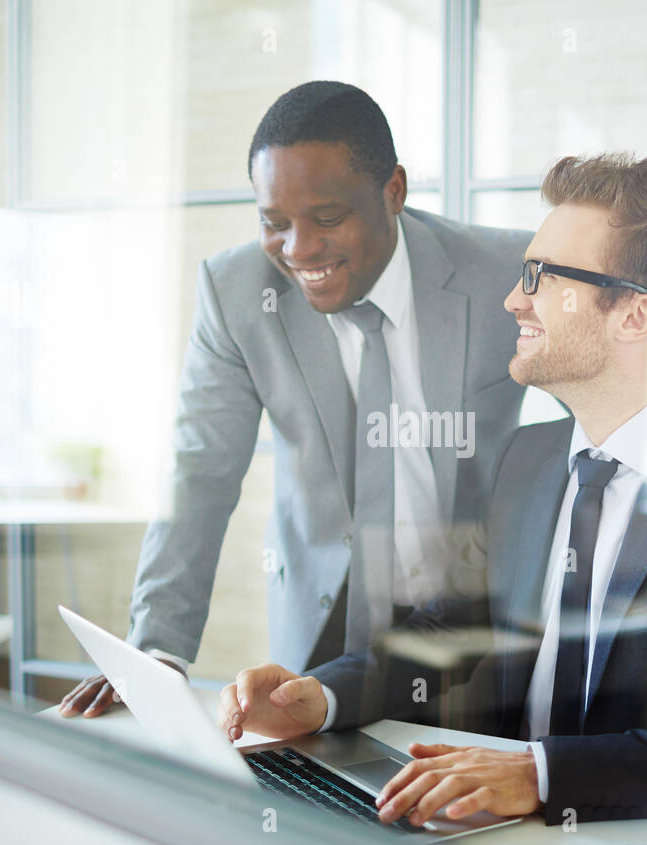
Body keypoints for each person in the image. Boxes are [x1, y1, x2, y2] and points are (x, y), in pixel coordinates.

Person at [217, 152, 647, 826]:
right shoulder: (526, 458)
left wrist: (544, 775)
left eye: (541, 278)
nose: (514, 299)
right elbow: (453, 622)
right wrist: (321, 696)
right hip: (499, 840)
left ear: (635, 315)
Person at [61, 81, 528, 718]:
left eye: (328, 218)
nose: (299, 249)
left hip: (469, 628)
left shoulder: (504, 273)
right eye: (274, 223)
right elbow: (200, 473)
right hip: (322, 625)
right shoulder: (234, 293)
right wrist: (155, 651)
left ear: (393, 190)